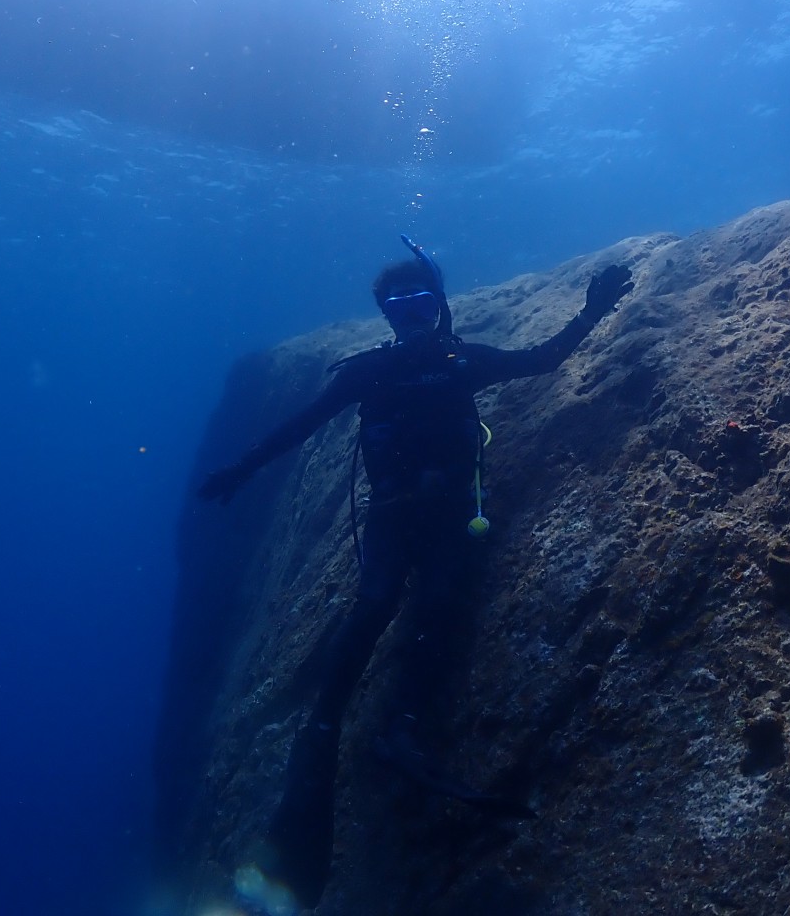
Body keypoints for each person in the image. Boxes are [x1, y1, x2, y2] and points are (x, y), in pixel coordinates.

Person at [197, 236, 633, 909]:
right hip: (395, 516)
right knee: (372, 607)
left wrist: (591, 312)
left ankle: (391, 730)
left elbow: (543, 361)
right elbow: (301, 425)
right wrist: (241, 468)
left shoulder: (462, 361)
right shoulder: (366, 372)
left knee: (431, 607)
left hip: (449, 516)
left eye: (419, 300)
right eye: (396, 304)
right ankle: (320, 743)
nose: (408, 313)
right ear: (384, 313)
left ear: (437, 306)